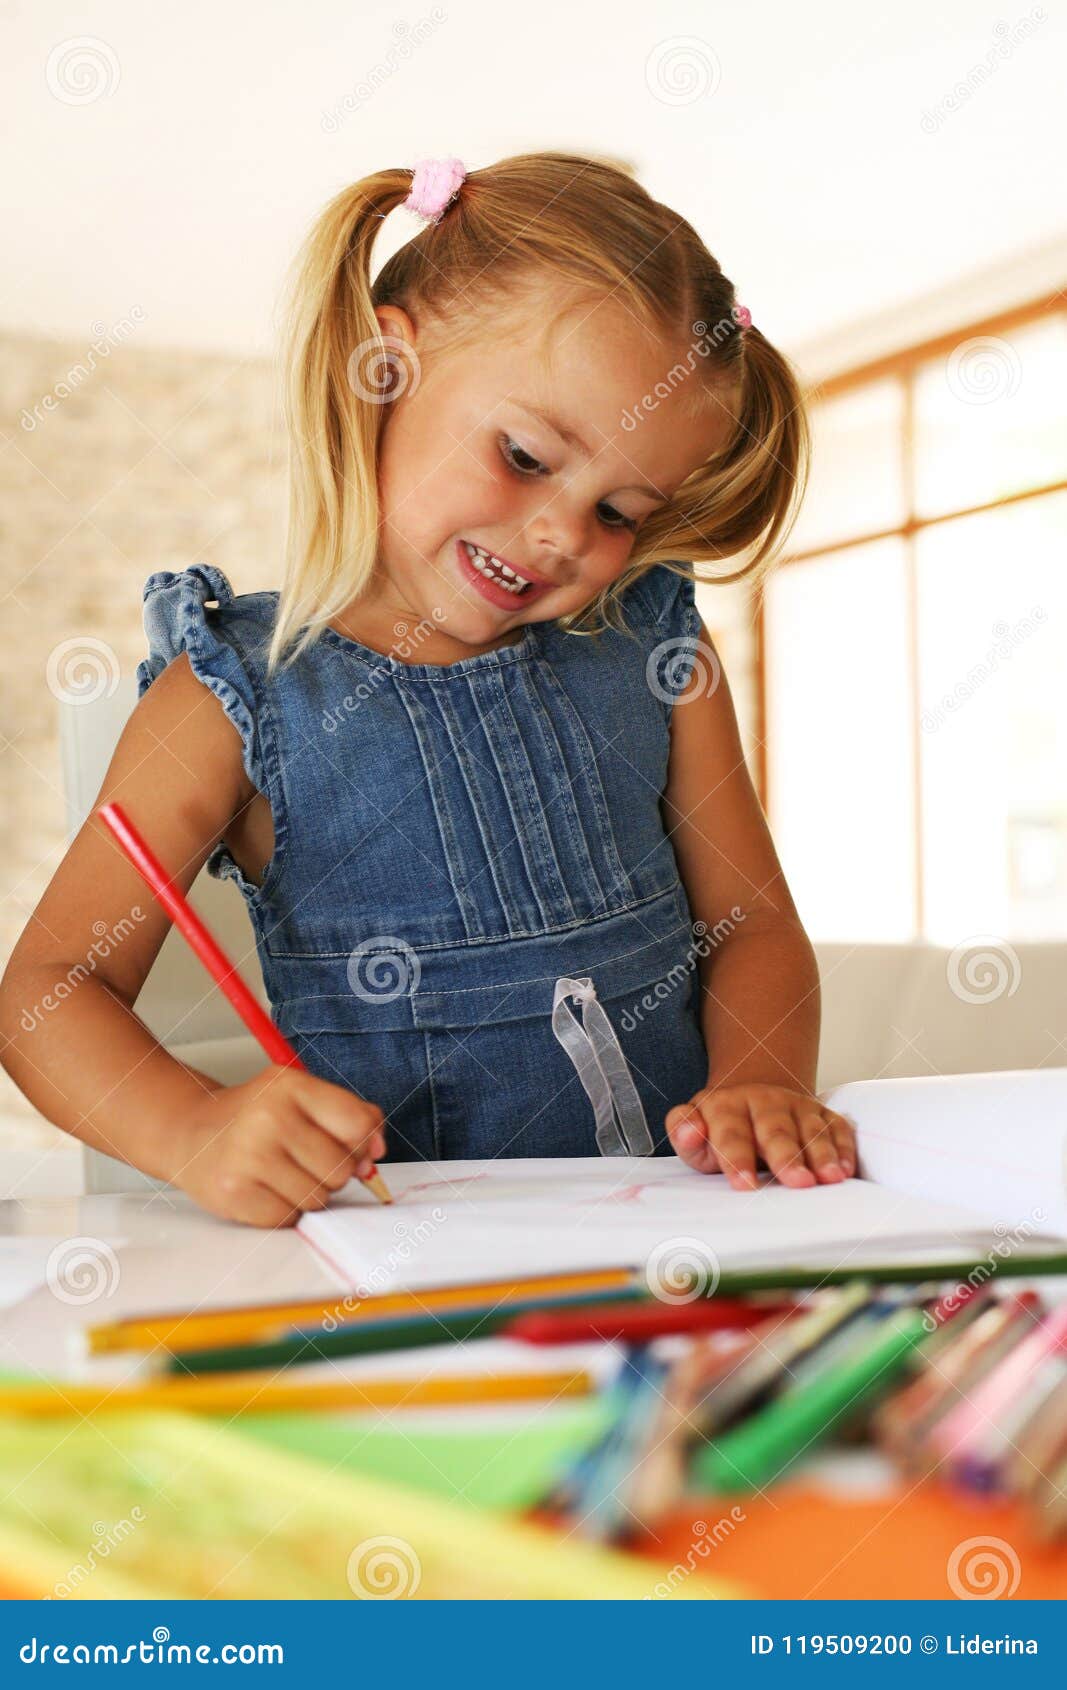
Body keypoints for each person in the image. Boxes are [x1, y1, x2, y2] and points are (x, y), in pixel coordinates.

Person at [0, 152, 855, 1228]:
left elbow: (752, 926)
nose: (560, 534)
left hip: (685, 1244)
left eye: (619, 513)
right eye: (526, 455)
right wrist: (193, 1129)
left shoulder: (654, 649)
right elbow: (46, 992)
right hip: (400, 1270)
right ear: (384, 367)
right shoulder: (231, 697)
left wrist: (761, 1080)